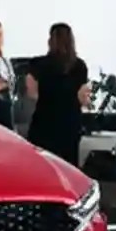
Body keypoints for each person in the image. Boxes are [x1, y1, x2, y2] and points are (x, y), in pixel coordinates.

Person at [26, 23, 90, 165]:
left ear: (50, 40)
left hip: (43, 124)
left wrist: (49, 99)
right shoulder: (80, 66)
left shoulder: (37, 64)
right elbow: (82, 98)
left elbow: (31, 93)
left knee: (42, 169)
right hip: (70, 126)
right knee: (68, 170)